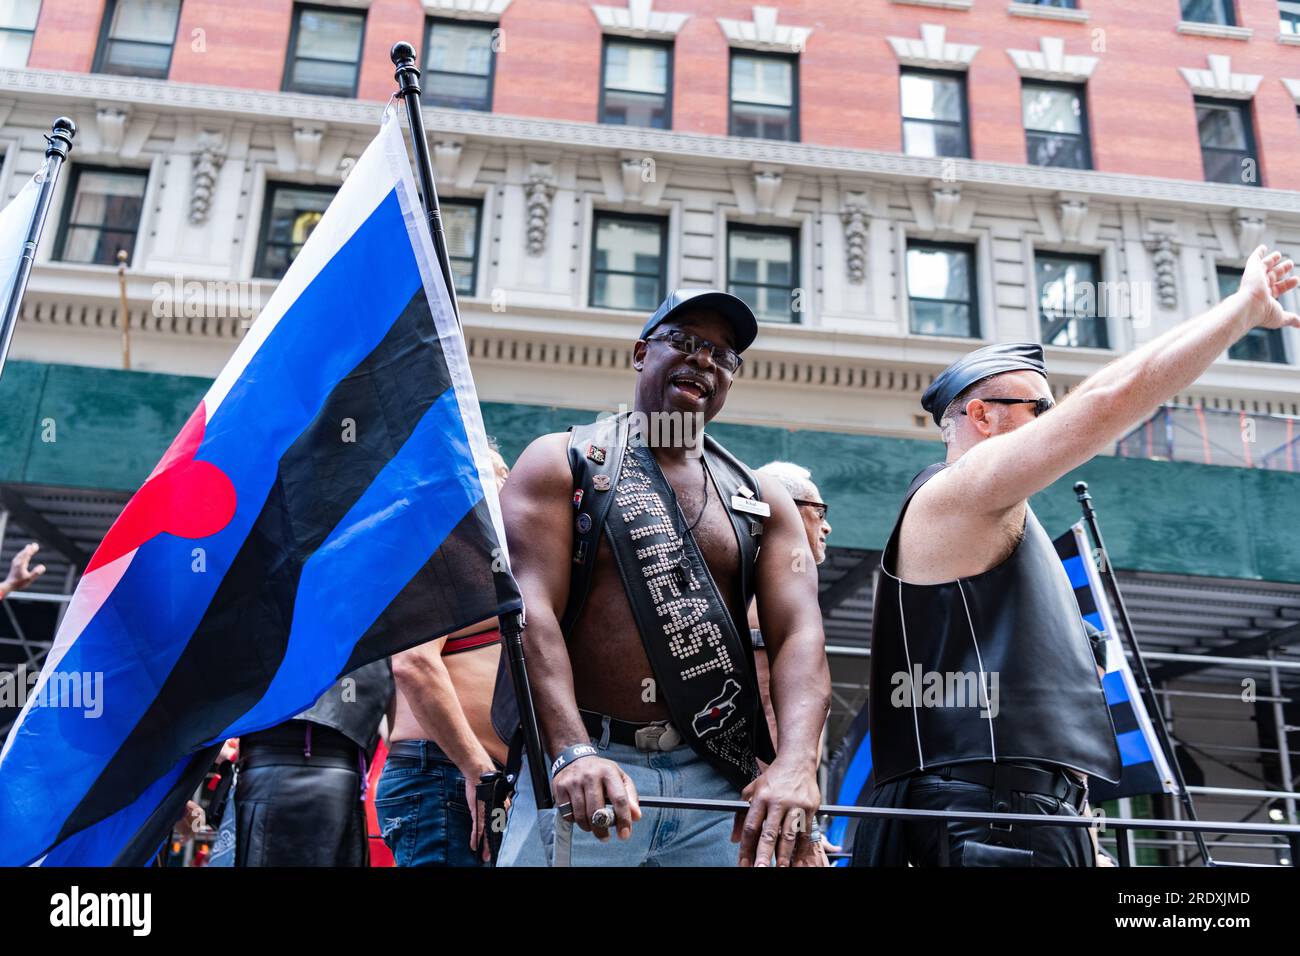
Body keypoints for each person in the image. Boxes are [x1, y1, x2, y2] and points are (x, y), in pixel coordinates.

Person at [856, 246, 1299, 867]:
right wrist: (1241, 309)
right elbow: (1109, 401)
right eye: (1039, 410)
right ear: (981, 415)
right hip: (977, 822)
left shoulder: (995, 509)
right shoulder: (956, 491)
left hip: (1016, 819)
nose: (1053, 422)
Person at [495, 288, 831, 867]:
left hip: (718, 781)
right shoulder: (561, 461)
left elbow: (800, 635)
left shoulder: (761, 501)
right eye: (685, 341)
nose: (705, 360)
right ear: (640, 353)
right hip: (591, 774)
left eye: (724, 355)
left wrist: (796, 763)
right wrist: (571, 751)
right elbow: (528, 611)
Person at [376, 449, 512, 867]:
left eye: (497, 480)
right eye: (474, 480)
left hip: (470, 779)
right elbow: (414, 664)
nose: (487, 492)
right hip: (445, 777)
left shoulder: (489, 562)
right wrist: (478, 771)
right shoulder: (437, 551)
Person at [231, 658, 393, 866]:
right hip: (339, 781)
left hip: (265, 776)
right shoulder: (376, 634)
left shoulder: (264, 632)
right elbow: (392, 733)